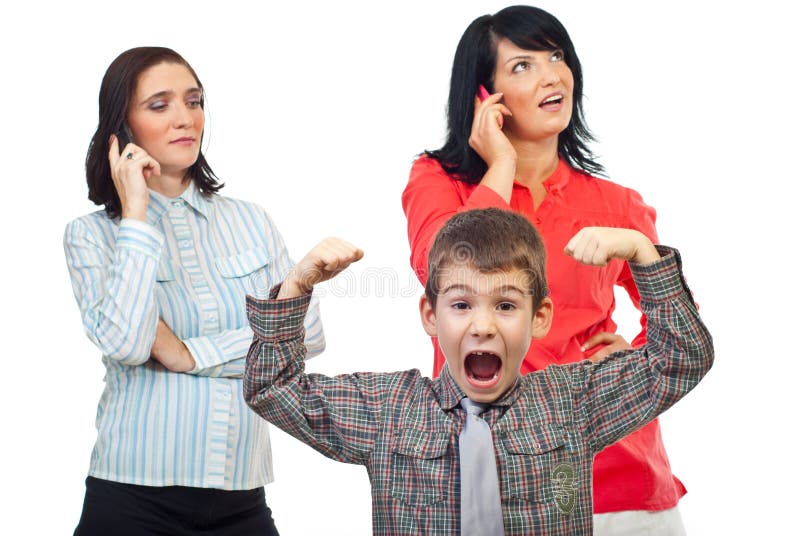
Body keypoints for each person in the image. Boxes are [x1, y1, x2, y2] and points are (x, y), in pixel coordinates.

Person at [243, 208, 713, 535]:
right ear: (430, 316)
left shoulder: (572, 401)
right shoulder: (388, 411)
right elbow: (273, 387)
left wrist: (640, 251)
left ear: (540, 317)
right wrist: (296, 285)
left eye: (506, 305)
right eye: (462, 304)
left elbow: (681, 358)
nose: (483, 326)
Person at [401, 5, 686, 533]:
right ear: (485, 97)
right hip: (490, 475)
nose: (551, 75)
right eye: (522, 66)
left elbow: (677, 321)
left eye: (556, 57)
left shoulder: (616, 204)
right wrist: (502, 167)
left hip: (616, 473)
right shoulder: (438, 183)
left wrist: (639, 359)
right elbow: (441, 268)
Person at [64, 46, 324, 535]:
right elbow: (127, 343)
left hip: (241, 498)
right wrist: (136, 214)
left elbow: (303, 336)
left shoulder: (251, 221)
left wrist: (188, 353)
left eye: (194, 100)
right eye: (159, 105)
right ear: (122, 128)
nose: (186, 119)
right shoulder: (92, 236)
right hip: (131, 499)